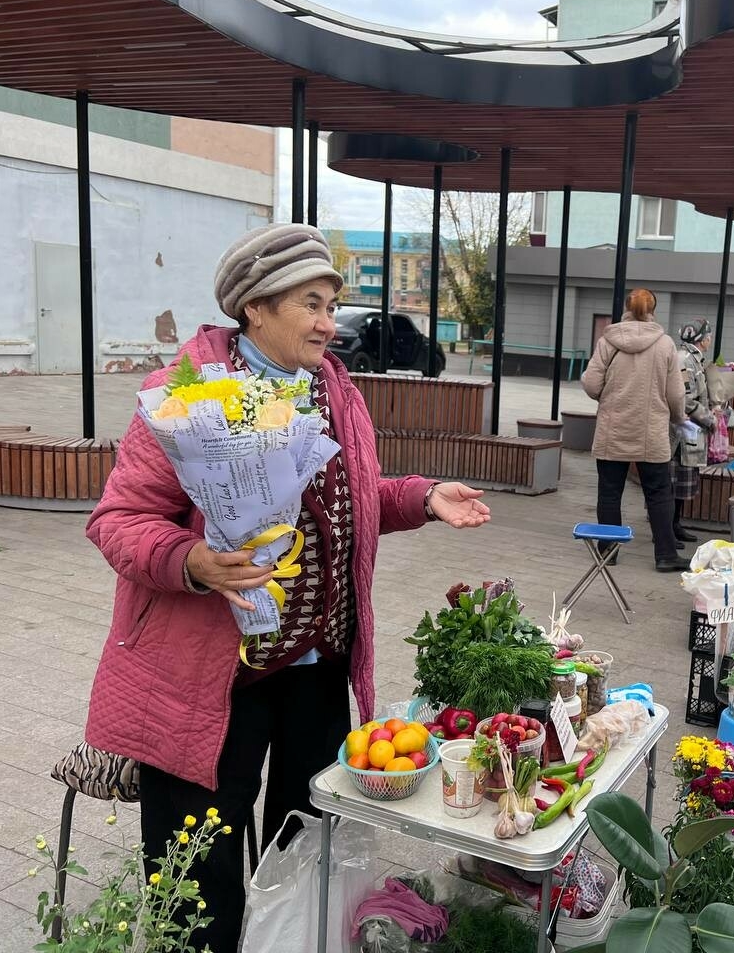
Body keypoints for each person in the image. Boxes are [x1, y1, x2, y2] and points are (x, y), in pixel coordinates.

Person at [83, 223, 490, 953]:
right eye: (312, 304)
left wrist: (422, 497)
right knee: (199, 873)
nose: (330, 323)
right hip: (210, 681)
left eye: (332, 304)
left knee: (307, 852)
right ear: (255, 308)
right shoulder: (185, 396)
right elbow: (117, 520)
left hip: (315, 669)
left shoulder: (335, 391)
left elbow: (355, 496)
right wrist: (192, 560)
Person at [581, 287, 686, 572]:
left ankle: (608, 551)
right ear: (653, 311)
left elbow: (591, 383)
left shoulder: (608, 341)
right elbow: (676, 394)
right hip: (651, 432)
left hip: (612, 429)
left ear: (626, 308)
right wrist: (678, 417)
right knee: (659, 493)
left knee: (609, 492)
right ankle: (665, 555)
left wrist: (606, 397)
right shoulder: (665, 344)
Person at [672, 318, 716, 545]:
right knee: (675, 483)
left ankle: (674, 525)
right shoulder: (685, 359)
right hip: (681, 433)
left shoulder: (692, 358)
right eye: (708, 336)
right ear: (703, 339)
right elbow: (687, 398)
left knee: (681, 483)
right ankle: (668, 529)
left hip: (688, 432)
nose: (710, 340)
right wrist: (709, 418)